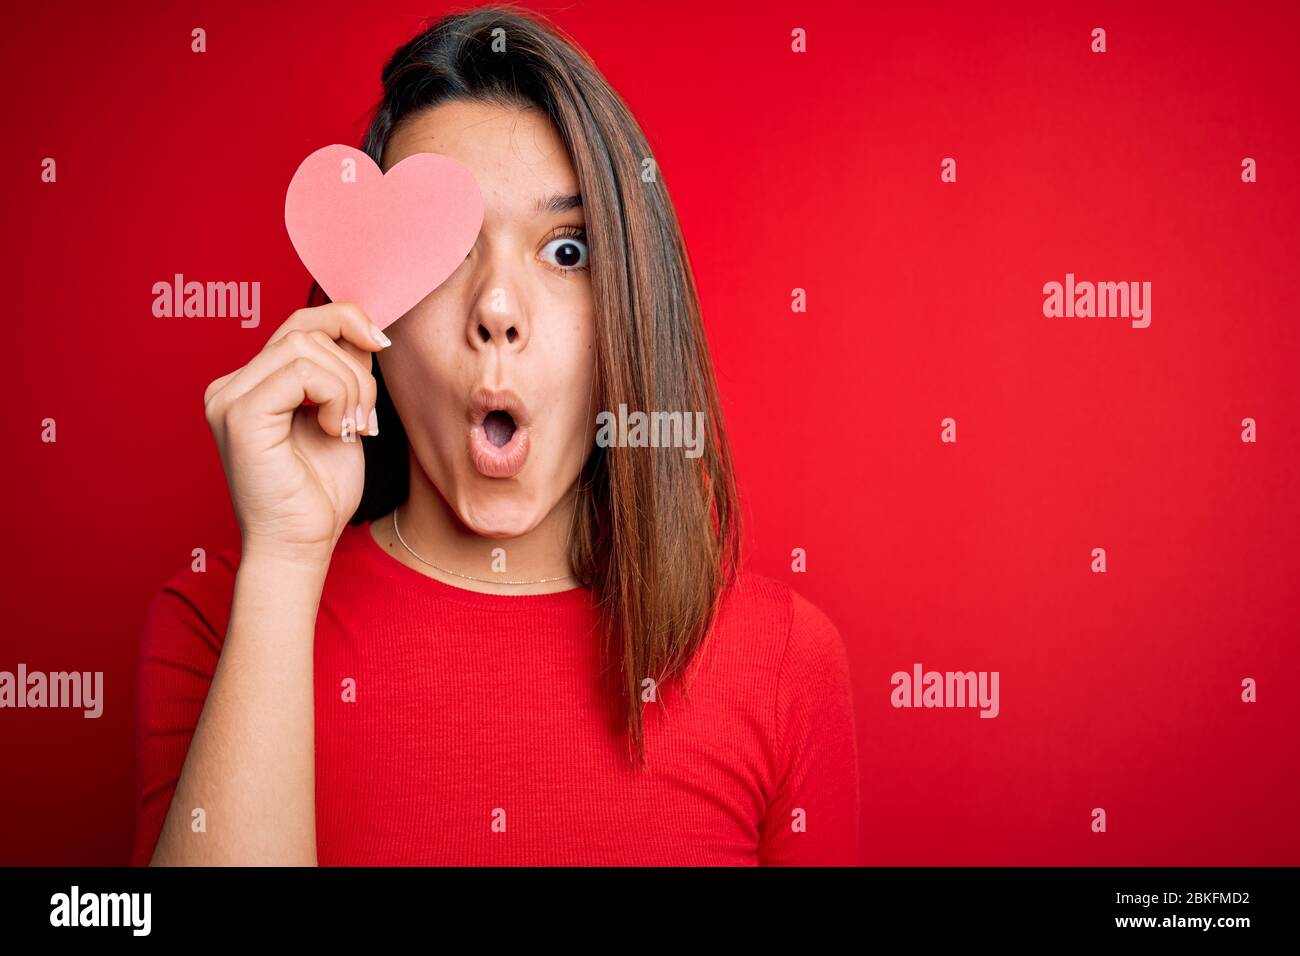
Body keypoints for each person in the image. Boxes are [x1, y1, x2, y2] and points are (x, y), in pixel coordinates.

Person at [132, 3, 859, 866]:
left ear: (631, 306)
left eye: (566, 252)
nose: (498, 312)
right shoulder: (220, 624)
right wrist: (286, 565)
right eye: (442, 254)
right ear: (363, 317)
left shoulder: (780, 663)